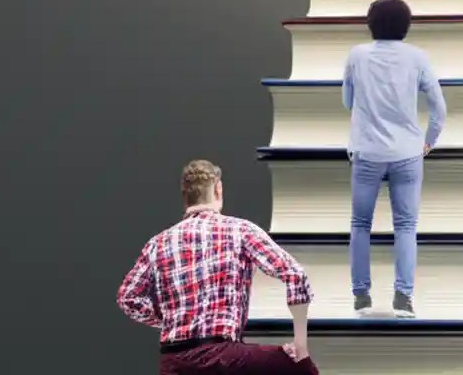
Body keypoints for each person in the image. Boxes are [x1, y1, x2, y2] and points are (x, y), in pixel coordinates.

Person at [116, 160, 319, 375]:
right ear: (218, 190)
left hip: (174, 361)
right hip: (223, 357)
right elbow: (295, 275)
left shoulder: (157, 244)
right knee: (298, 368)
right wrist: (300, 346)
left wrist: (170, 320)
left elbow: (128, 298)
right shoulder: (239, 230)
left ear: (185, 197)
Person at [343, 0, 447, 319]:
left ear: (370, 24)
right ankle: (403, 297)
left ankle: (361, 295)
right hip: (408, 153)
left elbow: (348, 100)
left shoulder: (357, 56)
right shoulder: (418, 57)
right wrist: (427, 144)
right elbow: (439, 110)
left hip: (367, 151)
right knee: (406, 226)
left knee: (361, 224)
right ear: (407, 26)